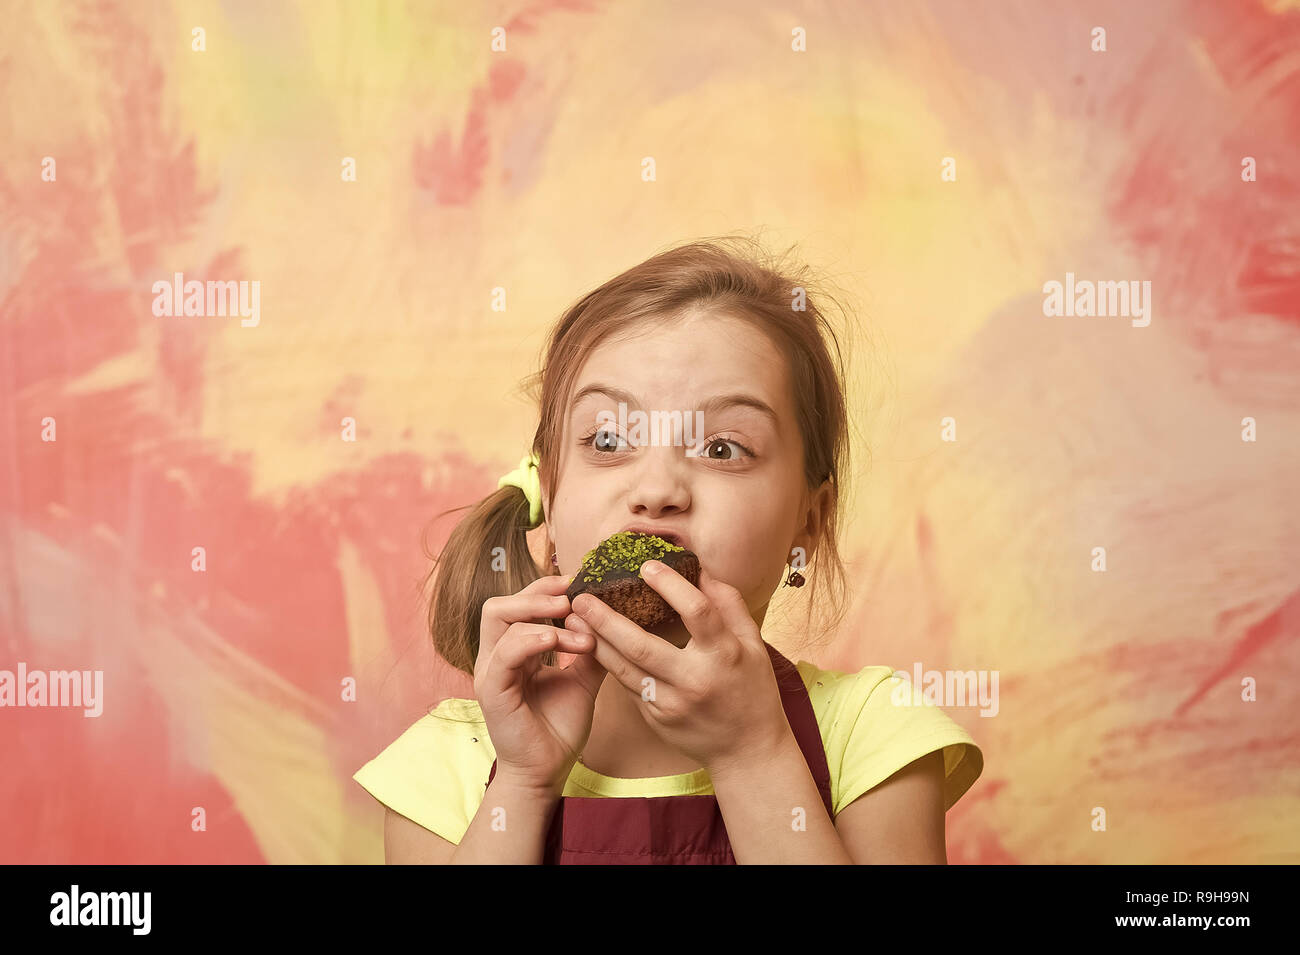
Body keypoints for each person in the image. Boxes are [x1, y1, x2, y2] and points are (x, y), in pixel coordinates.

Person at [353, 236, 983, 863]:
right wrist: (522, 786)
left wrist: (752, 754)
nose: (656, 492)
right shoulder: (446, 765)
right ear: (550, 495)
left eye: (722, 448)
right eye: (607, 438)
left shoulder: (872, 733)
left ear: (808, 522)